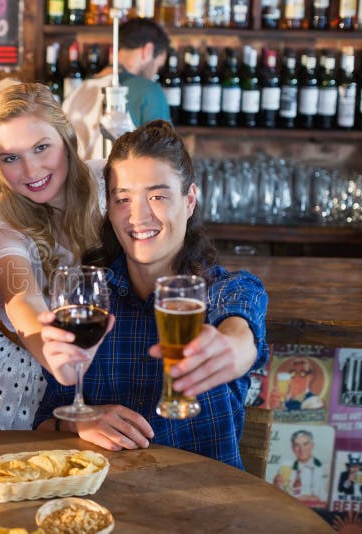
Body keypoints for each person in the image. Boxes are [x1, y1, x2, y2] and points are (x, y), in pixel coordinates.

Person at [35, 120, 269, 469]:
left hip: (207, 498)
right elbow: (45, 423)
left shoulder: (226, 289)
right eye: (123, 199)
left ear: (189, 201)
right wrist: (79, 421)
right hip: (104, 497)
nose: (138, 216)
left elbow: (240, 331)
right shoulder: (88, 302)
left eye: (157, 196)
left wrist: (232, 348)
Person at [0, 82, 105, 431]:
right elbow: (22, 298)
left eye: (41, 148)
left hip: (109, 385)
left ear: (67, 139)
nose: (31, 171)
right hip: (25, 401)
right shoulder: (2, 229)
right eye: (11, 158)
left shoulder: (109, 182)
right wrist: (54, 353)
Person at [63, 18, 172, 161]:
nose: (155, 74)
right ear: (148, 50)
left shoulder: (78, 91)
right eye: (158, 66)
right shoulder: (149, 91)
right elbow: (167, 158)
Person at [272, 430, 330, 504]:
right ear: (293, 448)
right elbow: (279, 496)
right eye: (297, 445)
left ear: (312, 445)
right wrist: (275, 487)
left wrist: (314, 498)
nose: (302, 449)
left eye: (305, 444)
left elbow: (329, 496)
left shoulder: (325, 468)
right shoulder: (285, 468)